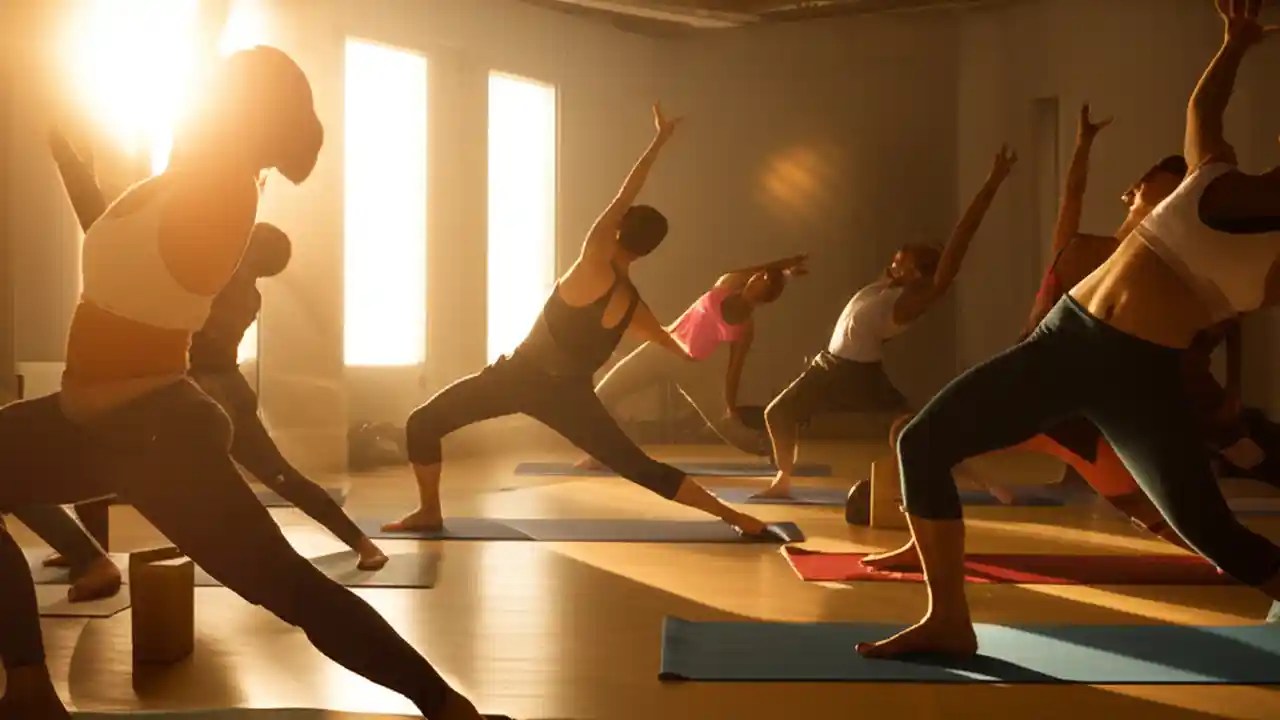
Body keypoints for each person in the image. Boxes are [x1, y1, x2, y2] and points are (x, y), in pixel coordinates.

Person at [0, 47, 490, 720]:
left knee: (288, 587)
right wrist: (62, 147)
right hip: (92, 425)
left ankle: (445, 705)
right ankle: (28, 685)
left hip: (152, 434)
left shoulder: (223, 189)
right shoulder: (176, 183)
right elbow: (100, 215)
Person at [858, 1, 1280, 660]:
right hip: (1066, 338)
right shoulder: (1212, 173)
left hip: (1139, 373)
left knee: (1210, 528)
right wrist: (1234, 44)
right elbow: (1206, 110)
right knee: (923, 442)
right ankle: (948, 621)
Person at [382, 105, 775, 540]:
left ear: (620, 228)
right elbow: (676, 347)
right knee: (637, 466)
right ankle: (738, 518)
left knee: (422, 422)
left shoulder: (593, 263)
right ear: (649, 251)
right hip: (569, 398)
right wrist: (699, 338)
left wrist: (659, 141)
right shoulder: (633, 305)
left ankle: (429, 511)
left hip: (516, 376)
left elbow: (624, 193)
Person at [14, 135, 389, 585]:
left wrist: (72, 163)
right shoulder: (246, 291)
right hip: (223, 390)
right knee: (279, 475)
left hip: (207, 392)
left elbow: (110, 225)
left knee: (106, 453)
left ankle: (92, 557)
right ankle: (90, 556)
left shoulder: (221, 280)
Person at [756, 145, 1018, 499]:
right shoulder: (887, 285)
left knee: (911, 432)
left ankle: (983, 481)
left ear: (918, 273)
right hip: (829, 366)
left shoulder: (911, 300)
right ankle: (783, 481)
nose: (893, 265)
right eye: (895, 260)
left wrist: (992, 184)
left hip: (859, 375)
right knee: (779, 413)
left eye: (902, 263)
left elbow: (958, 246)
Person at [575, 253, 807, 468]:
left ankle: (776, 450)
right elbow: (754, 269)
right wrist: (785, 267)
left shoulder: (745, 328)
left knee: (728, 427)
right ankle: (600, 453)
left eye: (763, 283)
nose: (756, 280)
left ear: (765, 298)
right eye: (758, 277)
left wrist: (730, 404)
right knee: (605, 392)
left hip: (693, 369)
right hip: (662, 348)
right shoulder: (726, 284)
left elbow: (734, 369)